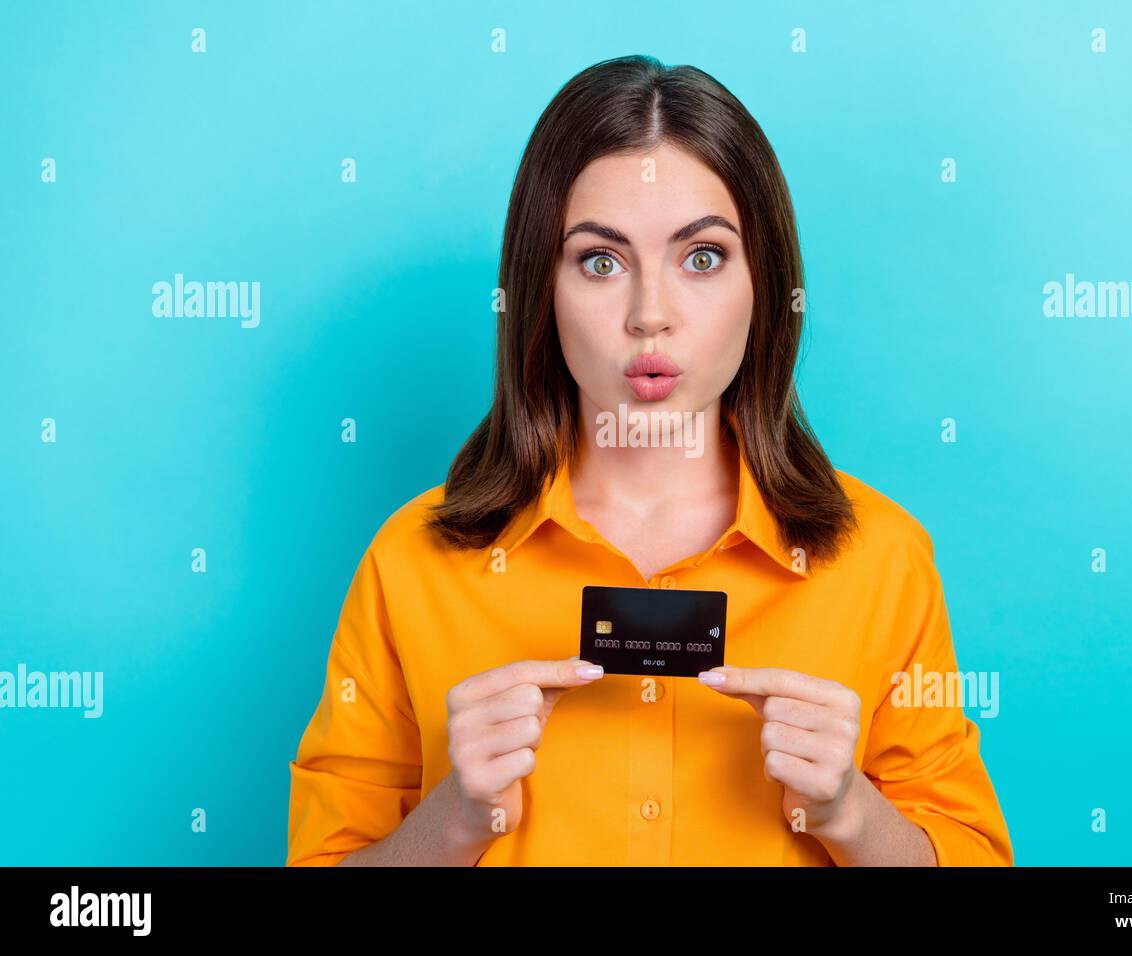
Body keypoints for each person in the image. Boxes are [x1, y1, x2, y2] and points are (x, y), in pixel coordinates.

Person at [286, 54, 1013, 867]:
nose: (650, 317)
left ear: (764, 283)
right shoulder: (411, 561)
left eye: (701, 257)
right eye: (601, 261)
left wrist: (849, 811)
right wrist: (454, 816)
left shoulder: (883, 559)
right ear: (542, 289)